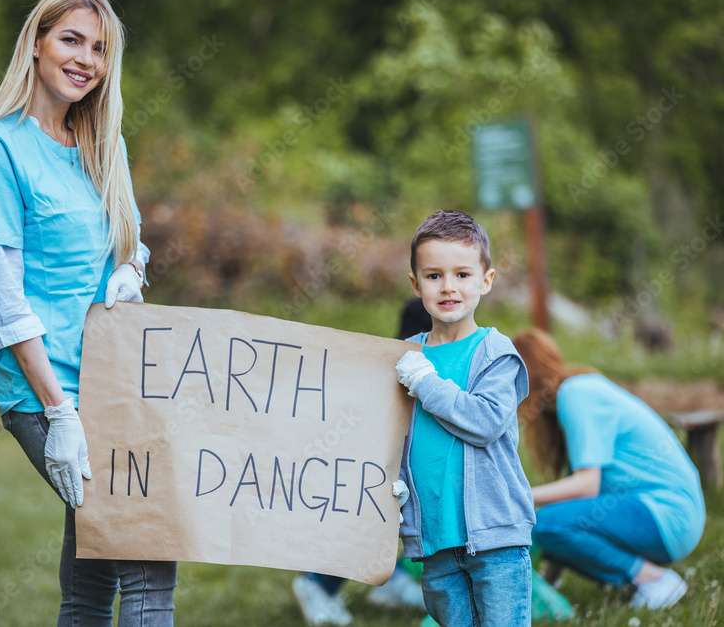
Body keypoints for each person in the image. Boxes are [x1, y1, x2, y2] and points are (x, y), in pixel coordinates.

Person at [0, 0, 176, 625]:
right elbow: (5, 301)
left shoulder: (104, 143)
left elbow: (127, 244)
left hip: (113, 382)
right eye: (71, 39)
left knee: (95, 575)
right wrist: (59, 413)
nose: (86, 60)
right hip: (48, 390)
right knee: (148, 554)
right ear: (36, 44)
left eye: (98, 48)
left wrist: (130, 269)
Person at [394, 210, 535, 626]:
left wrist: (427, 383)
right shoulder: (404, 356)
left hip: (496, 537)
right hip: (434, 539)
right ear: (416, 285)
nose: (449, 287)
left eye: (462, 274)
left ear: (485, 281)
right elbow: (390, 430)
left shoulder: (496, 354)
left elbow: (487, 422)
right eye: (434, 276)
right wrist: (391, 477)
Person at [511, 328, 705, 609]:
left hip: (668, 513)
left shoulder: (576, 393)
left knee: (545, 522)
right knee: (550, 522)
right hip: (667, 515)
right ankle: (641, 581)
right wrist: (547, 585)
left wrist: (521, 496)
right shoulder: (570, 399)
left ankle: (654, 580)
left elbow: (586, 487)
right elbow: (570, 514)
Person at [292, 299, 430, 626]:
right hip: (378, 466)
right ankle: (317, 581)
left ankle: (390, 578)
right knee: (375, 514)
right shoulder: (400, 374)